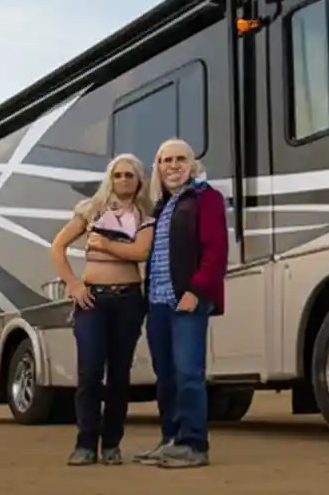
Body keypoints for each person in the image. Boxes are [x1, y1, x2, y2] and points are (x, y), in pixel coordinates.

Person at [49, 153, 156, 466]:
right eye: (119, 175)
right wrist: (73, 284)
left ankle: (111, 444)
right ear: (110, 178)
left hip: (129, 301)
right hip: (92, 300)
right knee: (90, 371)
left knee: (120, 375)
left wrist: (104, 244)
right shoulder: (91, 211)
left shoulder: (145, 214)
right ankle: (84, 444)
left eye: (130, 175)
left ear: (139, 181)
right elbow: (57, 246)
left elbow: (141, 251)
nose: (124, 180)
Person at [131, 138, 228, 469]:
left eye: (180, 159)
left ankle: (194, 444)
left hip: (186, 300)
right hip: (157, 303)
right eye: (165, 160)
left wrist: (196, 291)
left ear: (192, 164)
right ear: (157, 167)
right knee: (166, 376)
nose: (172, 165)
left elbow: (216, 251)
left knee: (189, 373)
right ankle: (171, 440)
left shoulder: (206, 198)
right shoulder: (161, 206)